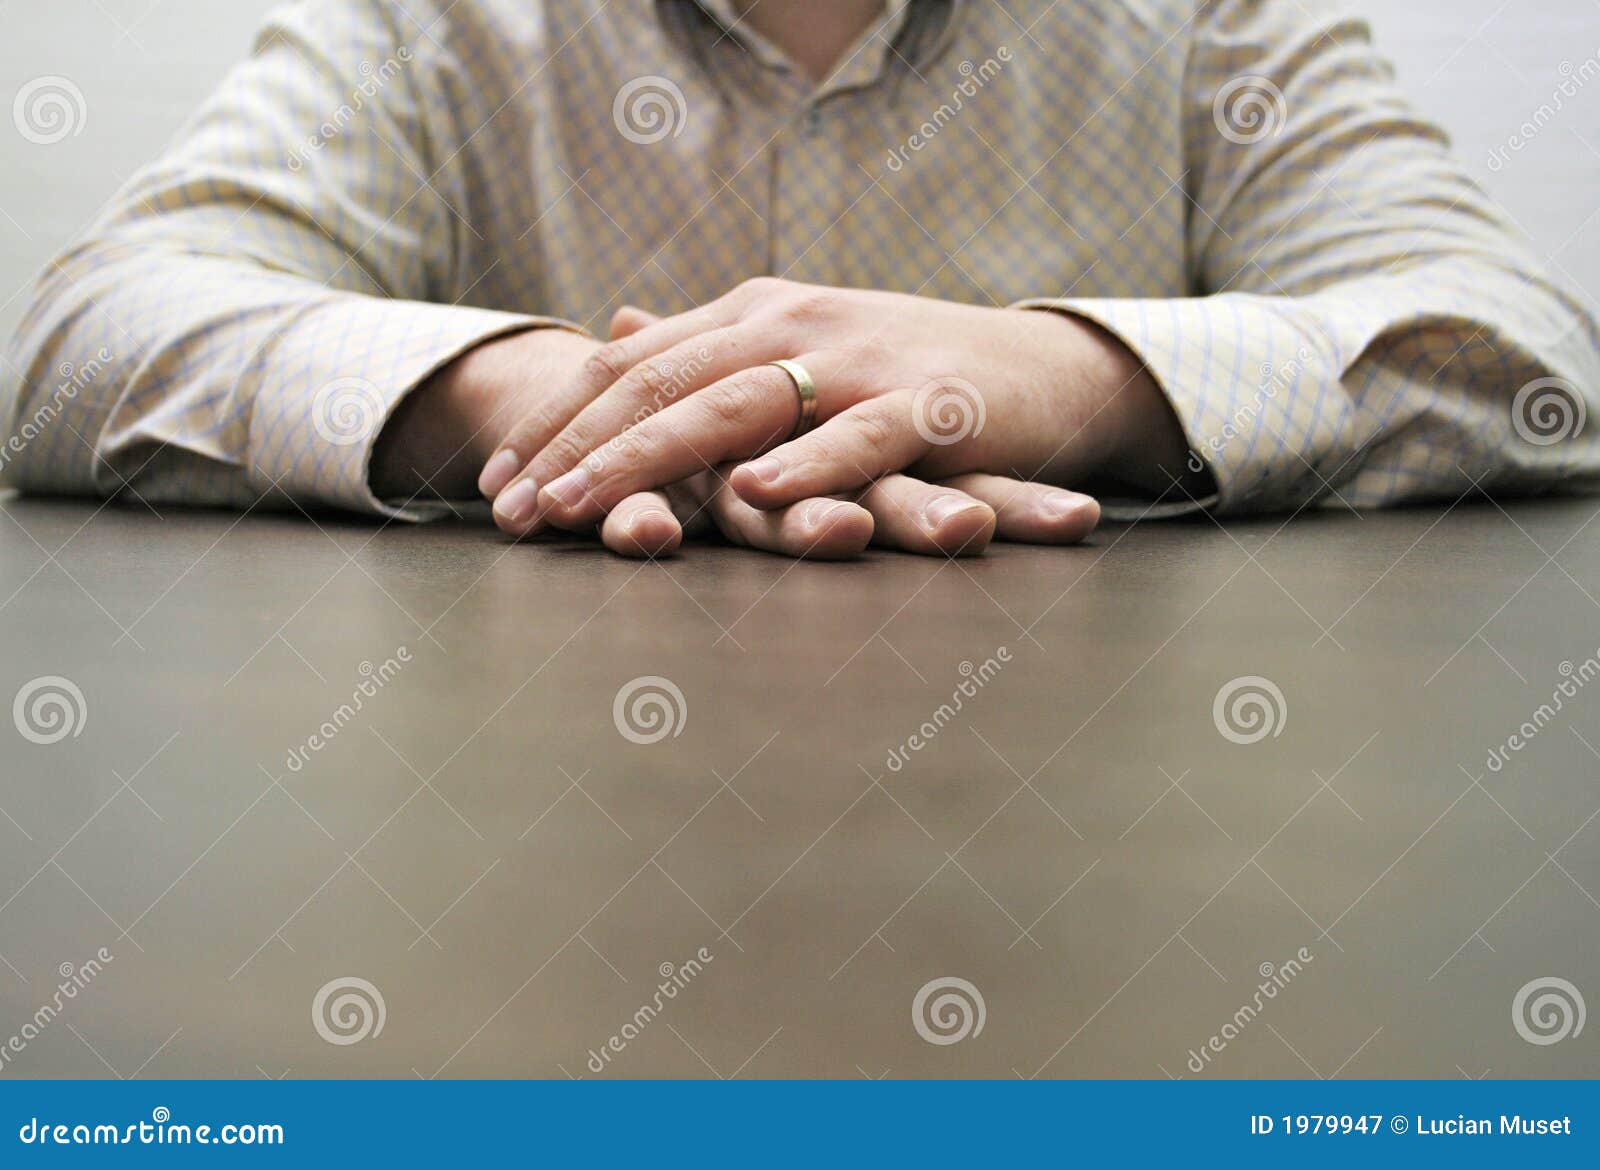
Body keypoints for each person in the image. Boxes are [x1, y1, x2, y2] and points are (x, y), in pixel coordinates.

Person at [4, 0, 1598, 560]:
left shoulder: (1201, 21)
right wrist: (565, 402)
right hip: (543, 845)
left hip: (1075, 828)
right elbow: (78, 341)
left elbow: (1528, 351)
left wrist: (1064, 375)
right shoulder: (429, 24)